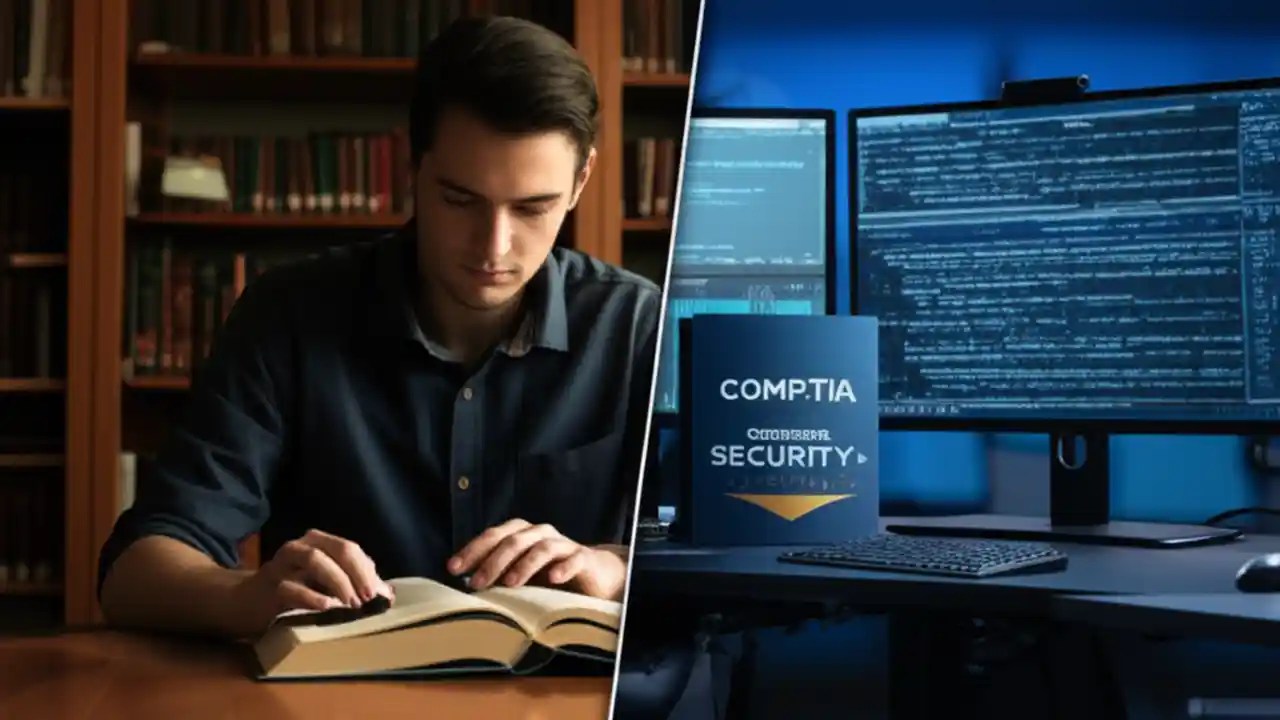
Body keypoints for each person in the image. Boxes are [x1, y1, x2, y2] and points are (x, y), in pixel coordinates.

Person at [98, 15, 660, 639]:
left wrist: (616, 570)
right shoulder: (288, 316)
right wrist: (243, 597)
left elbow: (753, 560)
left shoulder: (638, 329)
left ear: (581, 183)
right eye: (459, 199)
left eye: (533, 208)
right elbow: (133, 572)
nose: (493, 246)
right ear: (413, 167)